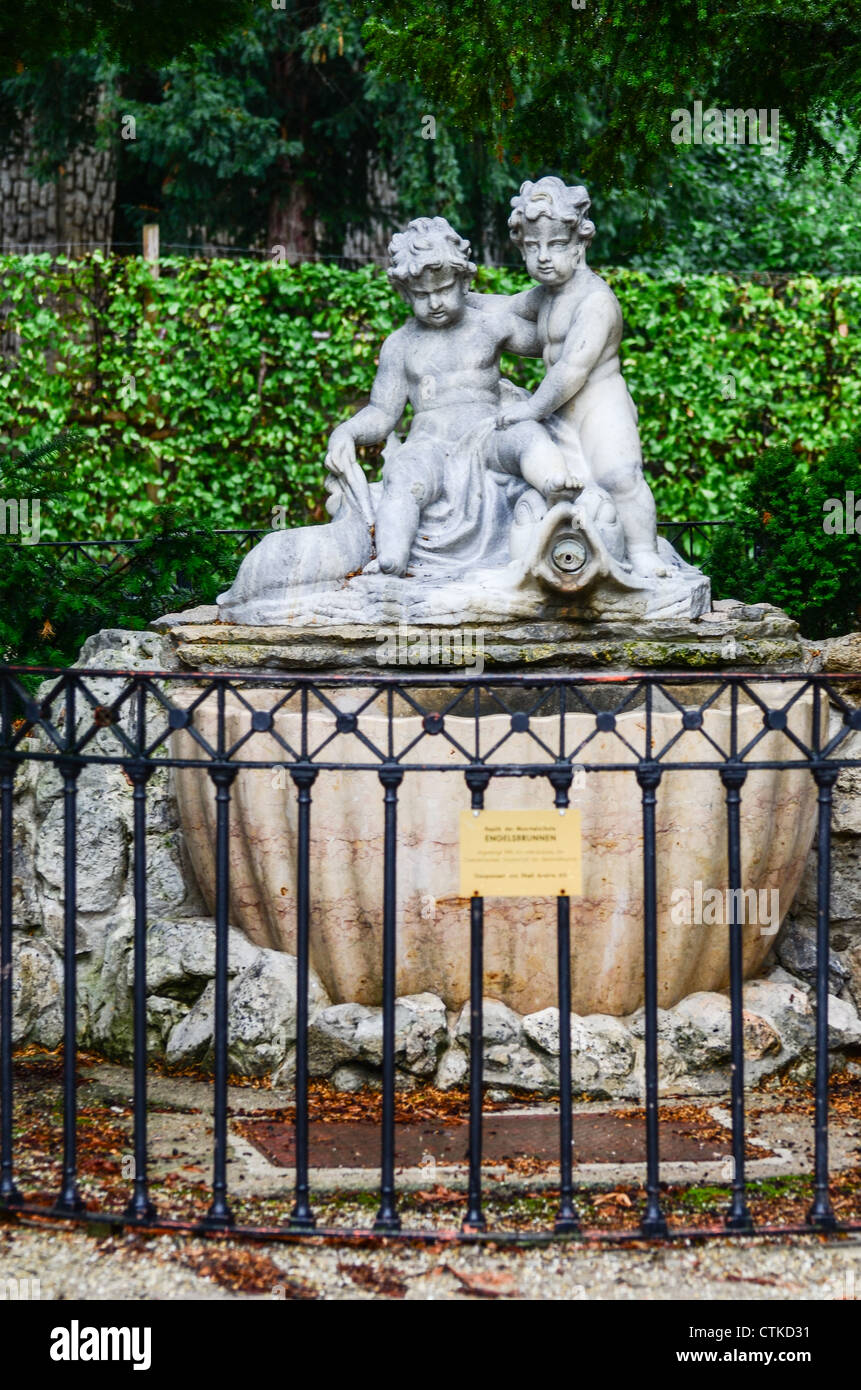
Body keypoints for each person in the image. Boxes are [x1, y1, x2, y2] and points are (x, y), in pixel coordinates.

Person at [324, 216, 581, 577]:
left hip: (489, 432)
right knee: (403, 477)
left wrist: (576, 306)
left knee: (526, 434)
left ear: (464, 283)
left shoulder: (489, 325)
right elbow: (383, 412)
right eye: (422, 295)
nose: (435, 303)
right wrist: (347, 431)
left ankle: (555, 483)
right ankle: (391, 559)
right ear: (404, 294)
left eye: (444, 289)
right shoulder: (400, 345)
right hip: (430, 443)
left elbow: (552, 342)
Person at [502, 177, 667, 579]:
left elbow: (571, 371)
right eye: (532, 247)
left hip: (598, 403)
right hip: (561, 412)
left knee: (620, 476)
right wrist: (462, 299)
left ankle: (644, 552)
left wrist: (529, 410)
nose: (543, 257)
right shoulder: (546, 295)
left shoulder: (596, 300)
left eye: (555, 245)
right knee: (566, 488)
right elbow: (503, 308)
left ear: (579, 245)